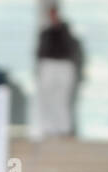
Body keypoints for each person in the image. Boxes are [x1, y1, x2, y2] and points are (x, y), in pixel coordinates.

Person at [35, 5, 79, 138]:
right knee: (47, 97)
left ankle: (64, 128)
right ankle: (48, 127)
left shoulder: (65, 30)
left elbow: (71, 47)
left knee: (62, 99)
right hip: (48, 65)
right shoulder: (45, 32)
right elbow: (40, 51)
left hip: (64, 65)